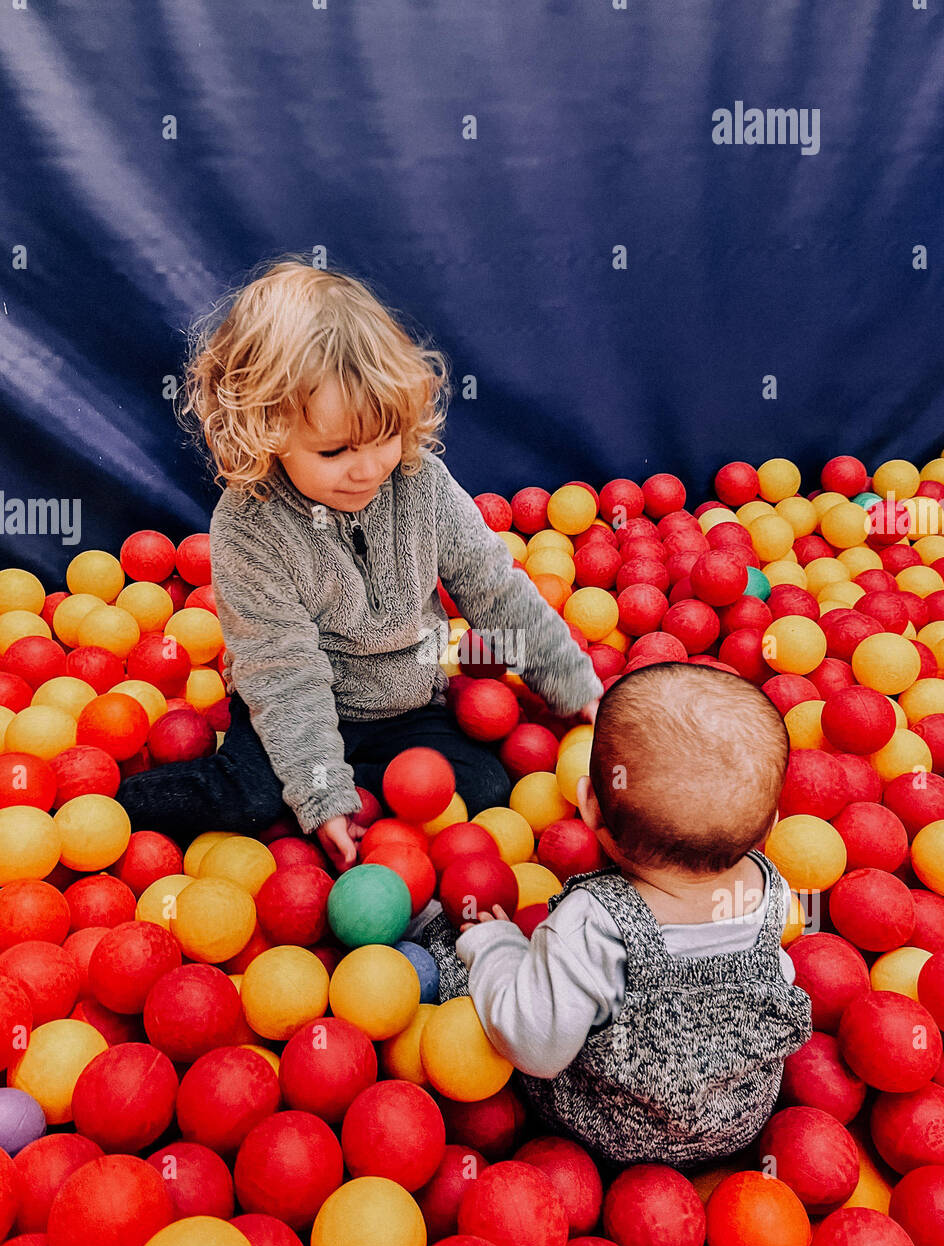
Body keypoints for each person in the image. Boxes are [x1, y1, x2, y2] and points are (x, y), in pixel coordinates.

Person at [116, 257, 603, 867]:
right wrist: (322, 789)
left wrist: (572, 681)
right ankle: (123, 800)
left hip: (407, 706)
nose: (369, 467)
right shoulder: (249, 527)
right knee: (255, 798)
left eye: (385, 435)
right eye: (336, 449)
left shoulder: (419, 482)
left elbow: (493, 588)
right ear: (265, 428)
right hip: (295, 707)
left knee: (482, 789)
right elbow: (282, 672)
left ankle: (356, 794)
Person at [421, 662, 813, 1169]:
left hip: (621, 1130)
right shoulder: (769, 890)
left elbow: (536, 1046)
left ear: (589, 806)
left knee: (453, 949)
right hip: (739, 1115)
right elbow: (771, 980)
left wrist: (494, 943)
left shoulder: (595, 922)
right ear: (770, 827)